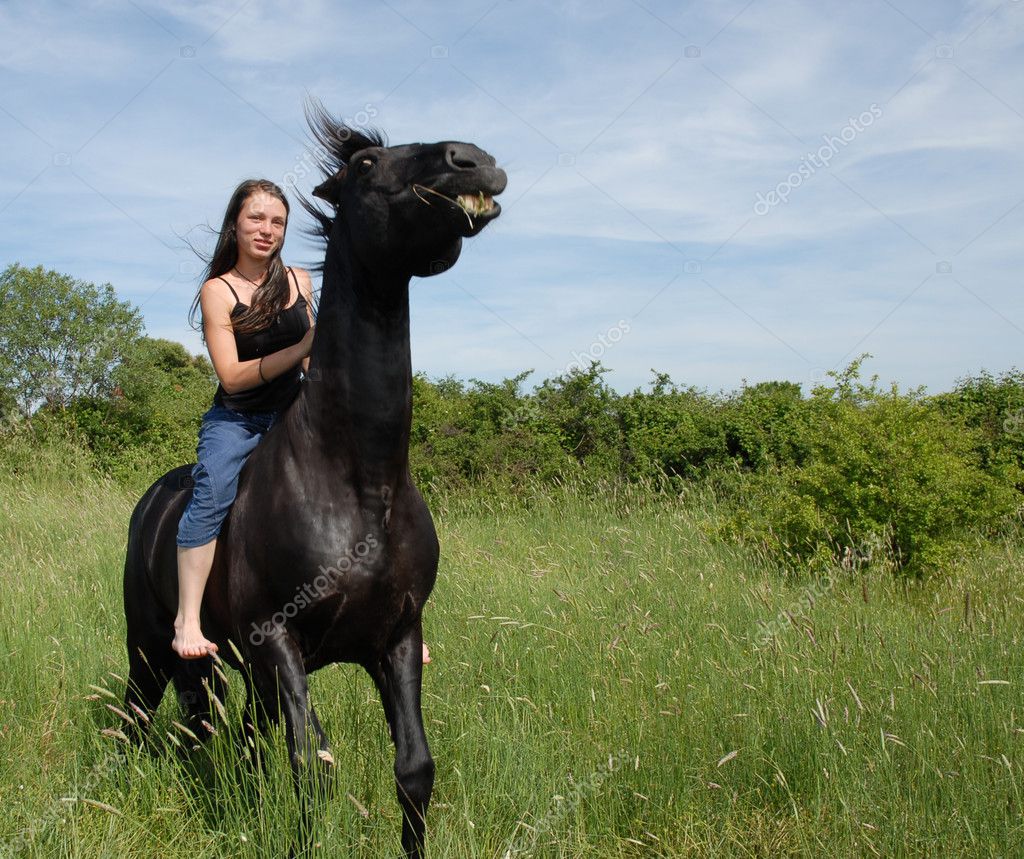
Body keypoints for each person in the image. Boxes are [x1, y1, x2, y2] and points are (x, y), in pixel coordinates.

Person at [172, 178, 431, 666]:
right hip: (240, 420)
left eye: (277, 222)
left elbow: (313, 364)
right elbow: (231, 377)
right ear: (235, 223)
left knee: (374, 484)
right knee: (211, 492)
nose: (266, 230)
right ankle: (188, 617)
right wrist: (300, 348)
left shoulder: (299, 281)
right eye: (256, 219)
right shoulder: (218, 291)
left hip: (296, 409)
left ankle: (399, 620)